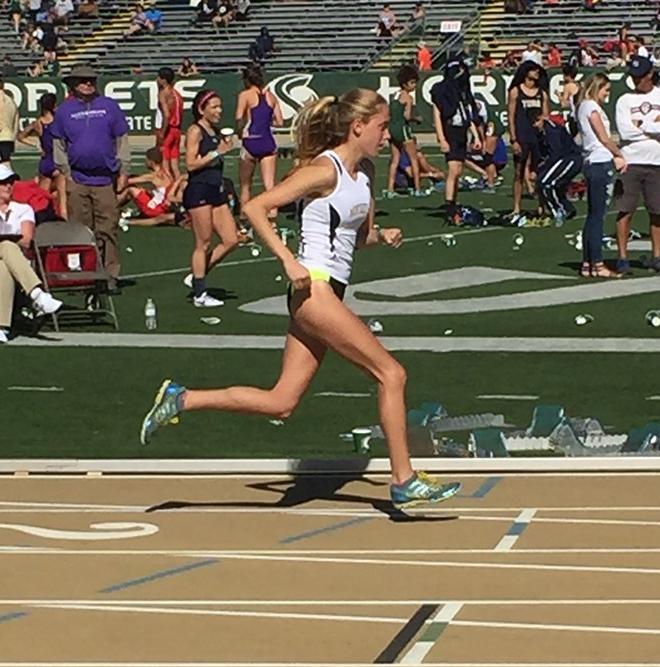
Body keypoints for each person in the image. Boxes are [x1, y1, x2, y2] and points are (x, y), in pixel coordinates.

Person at [139, 88, 462, 510]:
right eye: (382, 127)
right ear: (357, 126)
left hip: (329, 291)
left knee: (282, 402)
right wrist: (288, 260)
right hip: (314, 290)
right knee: (391, 374)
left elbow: (359, 239)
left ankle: (182, 398)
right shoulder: (323, 171)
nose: (388, 136)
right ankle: (403, 480)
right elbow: (256, 208)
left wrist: (383, 236)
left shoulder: (364, 174)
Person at [0, 163, 63, 344]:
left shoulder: (23, 209)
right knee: (6, 247)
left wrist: (1, 238)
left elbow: (26, 240)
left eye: (10, 182)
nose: (8, 186)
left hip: (10, 260)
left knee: (3, 265)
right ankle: (37, 294)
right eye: (2, 182)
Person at [50, 65, 131, 293]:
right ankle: (83, 274)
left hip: (105, 179)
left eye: (91, 80)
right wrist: (65, 171)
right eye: (83, 80)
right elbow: (58, 143)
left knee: (108, 229)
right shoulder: (64, 111)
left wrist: (124, 171)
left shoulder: (109, 106)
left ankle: (110, 275)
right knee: (80, 230)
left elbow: (122, 139)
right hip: (77, 178)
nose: (88, 84)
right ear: (73, 84)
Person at [614, 56, 660, 275]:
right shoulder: (624, 100)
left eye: (640, 76)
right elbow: (625, 131)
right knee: (625, 210)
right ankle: (622, 257)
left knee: (658, 211)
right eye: (633, 77)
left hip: (657, 162)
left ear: (650, 74)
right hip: (630, 161)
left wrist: (640, 124)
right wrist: (652, 128)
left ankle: (657, 256)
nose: (636, 81)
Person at [181, 89, 240, 307]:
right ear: (201, 109)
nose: (219, 110)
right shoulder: (195, 131)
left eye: (220, 106)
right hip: (199, 190)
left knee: (231, 240)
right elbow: (190, 164)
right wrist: (217, 153)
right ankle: (200, 294)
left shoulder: (214, 130)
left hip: (216, 189)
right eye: (214, 107)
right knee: (203, 242)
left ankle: (197, 275)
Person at [576, 73, 626, 278]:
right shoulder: (591, 107)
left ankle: (588, 262)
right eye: (606, 90)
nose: (607, 94)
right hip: (600, 162)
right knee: (598, 216)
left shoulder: (582, 106)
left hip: (591, 162)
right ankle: (597, 262)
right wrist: (619, 155)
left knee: (592, 215)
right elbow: (604, 138)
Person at [431, 56, 483, 225]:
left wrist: (475, 136)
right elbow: (437, 116)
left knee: (459, 170)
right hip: (450, 132)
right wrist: (442, 139)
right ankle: (449, 208)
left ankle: (454, 201)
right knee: (453, 170)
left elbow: (468, 116)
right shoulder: (441, 91)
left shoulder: (463, 92)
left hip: (462, 132)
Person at [235, 65, 283, 218]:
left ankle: (244, 216)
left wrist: (240, 133)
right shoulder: (271, 97)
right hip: (267, 141)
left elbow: (239, 118)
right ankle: (272, 215)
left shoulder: (245, 95)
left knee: (245, 185)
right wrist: (266, 122)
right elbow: (280, 122)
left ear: (247, 80)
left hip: (251, 141)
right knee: (269, 185)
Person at [507, 61, 550, 224]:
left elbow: (546, 115)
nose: (536, 73)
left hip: (537, 138)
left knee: (540, 172)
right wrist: (513, 139)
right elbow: (511, 116)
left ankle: (542, 206)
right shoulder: (515, 91)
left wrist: (543, 123)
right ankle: (516, 207)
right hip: (522, 136)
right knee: (518, 172)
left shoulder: (541, 94)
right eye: (533, 70)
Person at [16, 92, 67, 219]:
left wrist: (35, 145)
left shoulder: (38, 123)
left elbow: (20, 136)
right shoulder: (59, 122)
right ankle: (64, 222)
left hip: (45, 162)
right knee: (62, 198)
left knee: (42, 199)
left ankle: (39, 221)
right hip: (57, 161)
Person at [528, 109, 582, 226]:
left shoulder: (551, 131)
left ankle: (558, 210)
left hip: (570, 159)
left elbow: (555, 154)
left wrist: (539, 170)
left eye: (536, 121)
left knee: (545, 182)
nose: (534, 125)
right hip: (564, 159)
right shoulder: (542, 132)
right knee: (556, 185)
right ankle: (567, 208)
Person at [385, 65, 428, 198]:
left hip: (392, 128)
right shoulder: (408, 98)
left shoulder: (394, 95)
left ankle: (390, 189)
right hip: (402, 128)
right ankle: (417, 188)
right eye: (412, 83)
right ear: (405, 84)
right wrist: (417, 118)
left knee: (395, 160)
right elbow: (407, 116)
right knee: (413, 159)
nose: (414, 86)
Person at [119, 147, 182, 226]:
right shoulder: (166, 173)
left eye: (146, 159)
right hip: (163, 206)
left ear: (151, 162)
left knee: (131, 188)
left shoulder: (153, 176)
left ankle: (114, 207)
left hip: (155, 209)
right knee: (140, 189)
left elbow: (127, 182)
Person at [155, 66, 184, 180]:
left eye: (159, 77)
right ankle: (180, 186)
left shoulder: (163, 93)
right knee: (175, 167)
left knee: (165, 165)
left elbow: (166, 114)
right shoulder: (176, 94)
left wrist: (162, 132)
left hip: (168, 130)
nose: (157, 80)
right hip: (177, 130)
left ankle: (168, 188)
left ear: (163, 80)